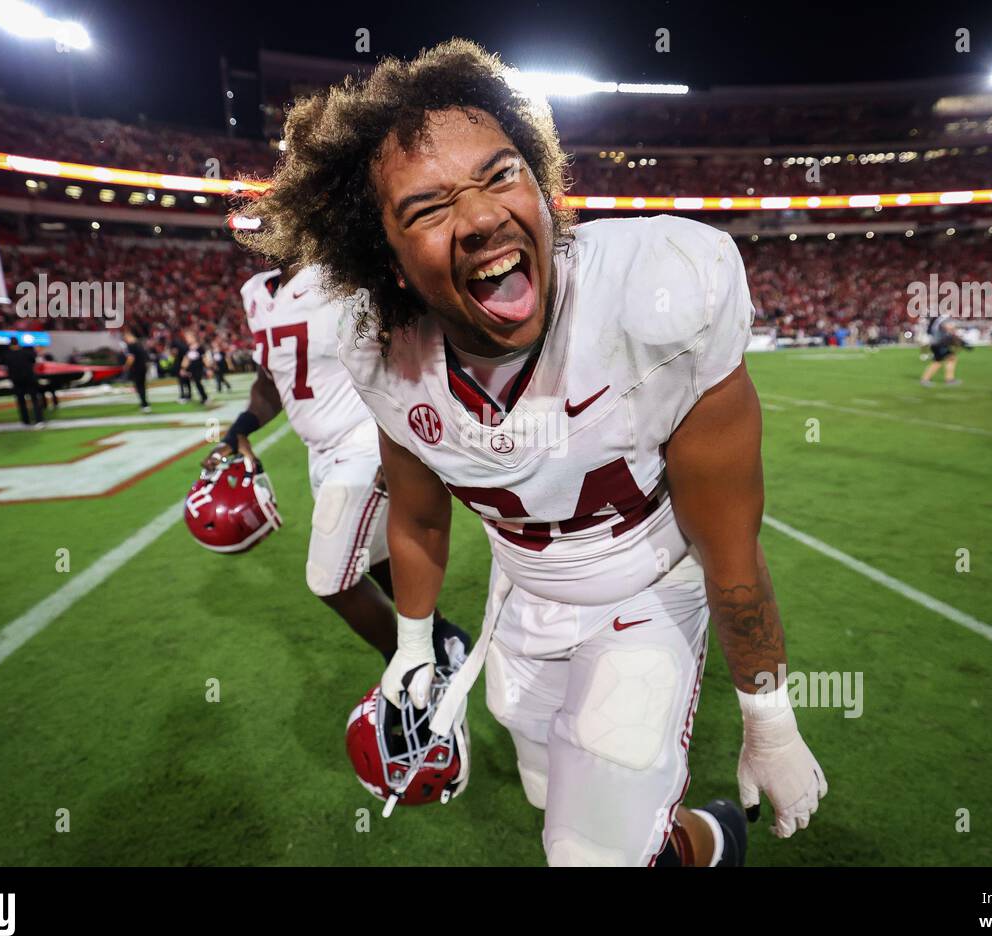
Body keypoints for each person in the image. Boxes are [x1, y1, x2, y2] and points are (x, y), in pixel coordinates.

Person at [239, 39, 825, 867]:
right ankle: (707, 834)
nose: (480, 217)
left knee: (589, 856)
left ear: (544, 188)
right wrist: (410, 647)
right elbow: (416, 517)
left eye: (500, 173)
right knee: (553, 789)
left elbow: (730, 548)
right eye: (426, 207)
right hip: (523, 591)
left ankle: (694, 834)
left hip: (648, 589)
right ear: (389, 262)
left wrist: (769, 716)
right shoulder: (381, 351)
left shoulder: (655, 295)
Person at [204, 265, 468, 666]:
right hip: (321, 454)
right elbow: (272, 382)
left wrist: (400, 436)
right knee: (378, 559)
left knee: (330, 582)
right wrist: (238, 431)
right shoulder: (255, 292)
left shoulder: (344, 271)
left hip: (366, 442)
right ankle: (444, 639)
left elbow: (409, 349)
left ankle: (410, 669)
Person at [2, 336, 45, 428]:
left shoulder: (7, 355)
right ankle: (39, 420)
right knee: (35, 400)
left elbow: (4, 367)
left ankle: (26, 421)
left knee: (21, 402)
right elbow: (34, 362)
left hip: (16, 380)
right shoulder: (27, 353)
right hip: (30, 379)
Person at [919, 313, 967, 386]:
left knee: (951, 358)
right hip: (939, 344)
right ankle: (925, 379)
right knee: (938, 362)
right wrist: (956, 335)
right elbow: (947, 327)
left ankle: (949, 379)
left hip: (937, 343)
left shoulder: (939, 318)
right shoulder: (945, 318)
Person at [122, 328, 152, 413]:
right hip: (143, 367)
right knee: (142, 386)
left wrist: (126, 366)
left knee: (139, 386)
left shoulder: (130, 345)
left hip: (136, 368)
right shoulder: (140, 344)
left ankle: (144, 404)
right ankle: (145, 402)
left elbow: (131, 358)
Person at [180, 330, 208, 404]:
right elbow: (186, 359)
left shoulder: (199, 347)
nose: (187, 339)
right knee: (193, 382)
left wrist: (209, 368)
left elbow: (204, 358)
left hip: (198, 368)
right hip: (191, 368)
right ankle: (189, 396)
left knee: (198, 382)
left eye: (188, 337)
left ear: (194, 338)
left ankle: (205, 398)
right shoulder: (187, 348)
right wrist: (183, 369)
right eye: (186, 338)